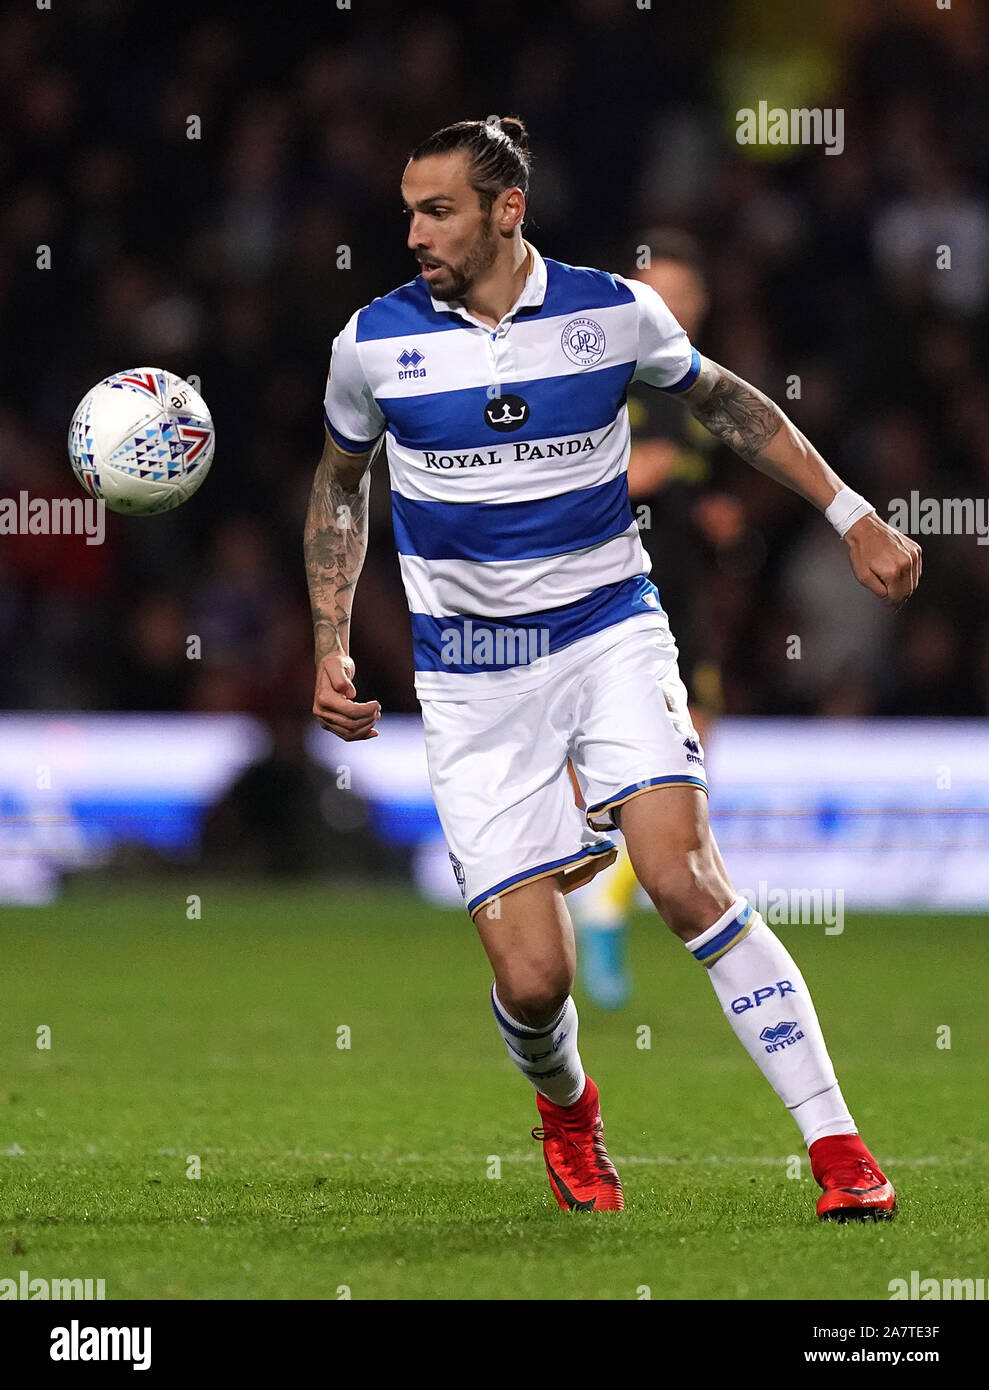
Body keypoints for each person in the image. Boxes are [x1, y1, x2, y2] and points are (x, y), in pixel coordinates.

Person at [305, 116, 920, 1219]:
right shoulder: (370, 344)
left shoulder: (609, 313)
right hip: (472, 682)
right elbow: (340, 485)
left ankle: (837, 1149)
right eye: (406, 208)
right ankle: (569, 1111)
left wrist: (849, 512)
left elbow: (730, 404)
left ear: (506, 210)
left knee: (683, 878)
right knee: (535, 981)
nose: (411, 232)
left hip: (606, 634)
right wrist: (329, 636)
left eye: (434, 208)